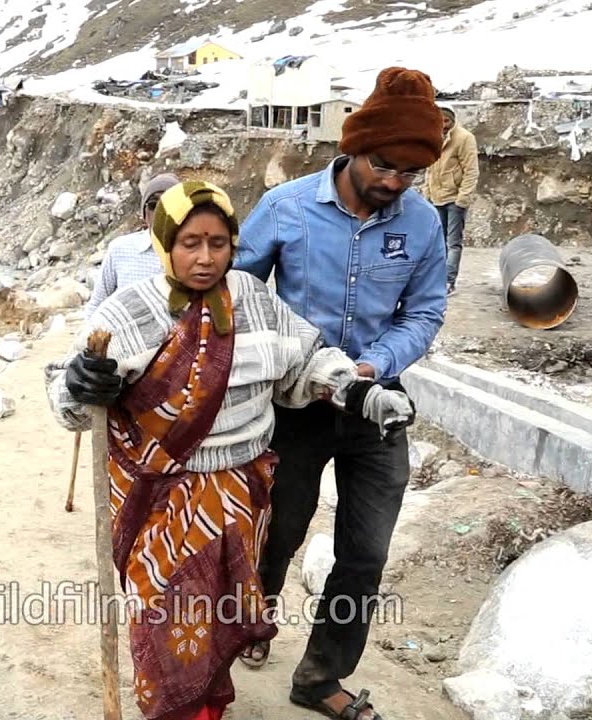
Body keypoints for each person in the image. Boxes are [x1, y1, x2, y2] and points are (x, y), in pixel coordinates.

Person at [44, 181, 416, 720]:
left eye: (217, 243)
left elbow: (305, 362)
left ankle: (208, 706)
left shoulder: (254, 299)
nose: (205, 258)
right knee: (167, 614)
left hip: (240, 494)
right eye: (190, 243)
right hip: (162, 498)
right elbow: (71, 404)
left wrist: (361, 394)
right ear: (165, 243)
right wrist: (80, 384)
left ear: (233, 245)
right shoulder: (131, 311)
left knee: (219, 612)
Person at [232, 66, 449, 719]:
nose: (394, 182)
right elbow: (237, 293)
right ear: (353, 147)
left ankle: (321, 675)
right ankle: (254, 620)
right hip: (293, 407)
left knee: (366, 551)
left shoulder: (422, 224)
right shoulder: (287, 207)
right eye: (384, 165)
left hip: (376, 406)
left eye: (411, 172)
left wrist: (374, 365)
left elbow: (425, 311)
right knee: (278, 531)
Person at [83, 172, 181, 317]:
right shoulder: (120, 249)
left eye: (170, 204)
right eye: (153, 205)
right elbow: (97, 305)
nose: (161, 211)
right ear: (144, 213)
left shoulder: (194, 254)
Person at [422, 103, 480, 295]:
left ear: (453, 120)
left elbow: (471, 171)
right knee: (437, 242)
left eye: (446, 120)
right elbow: (430, 168)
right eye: (439, 120)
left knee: (453, 243)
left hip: (454, 199)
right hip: (436, 197)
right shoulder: (433, 137)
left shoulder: (464, 138)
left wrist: (462, 198)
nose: (443, 124)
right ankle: (437, 279)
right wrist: (427, 193)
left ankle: (449, 281)